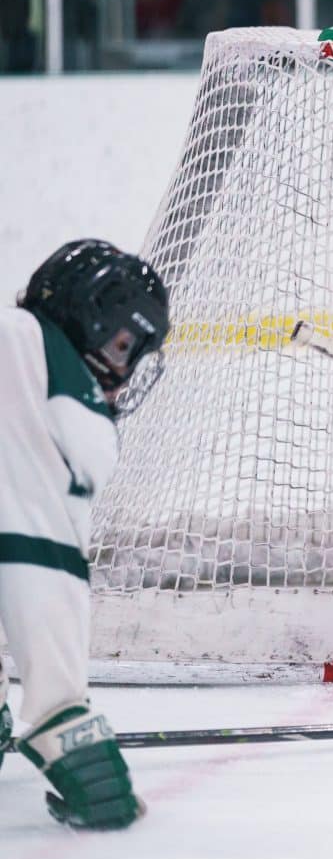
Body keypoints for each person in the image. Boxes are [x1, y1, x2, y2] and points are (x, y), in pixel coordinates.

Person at [0, 240, 170, 828]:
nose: (124, 374)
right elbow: (37, 570)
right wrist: (74, 739)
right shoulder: (47, 401)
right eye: (122, 346)